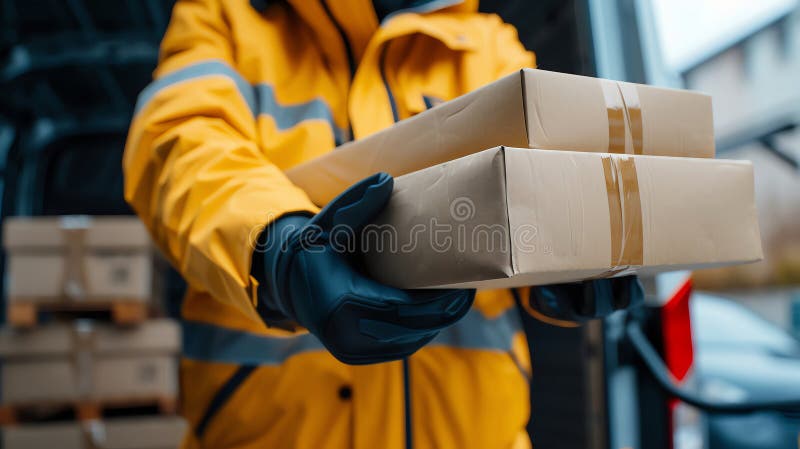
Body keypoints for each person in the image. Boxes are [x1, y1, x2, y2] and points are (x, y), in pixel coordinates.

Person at [124, 1, 642, 448]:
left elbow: (543, 161)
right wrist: (276, 247)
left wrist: (562, 259)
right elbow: (180, 141)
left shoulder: (484, 40)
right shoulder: (227, 18)